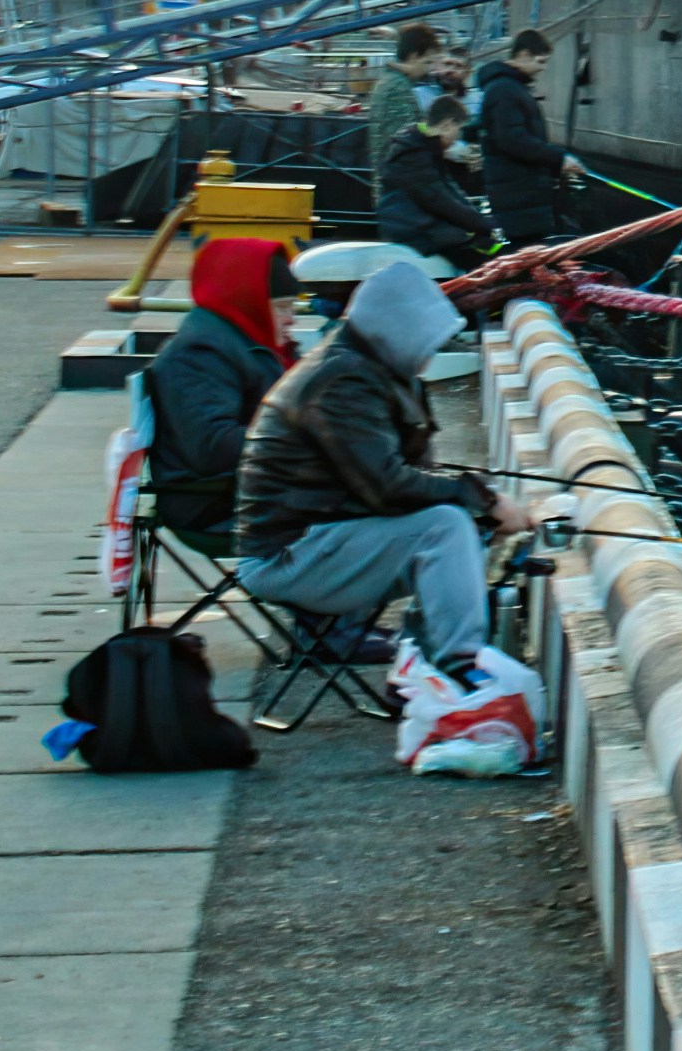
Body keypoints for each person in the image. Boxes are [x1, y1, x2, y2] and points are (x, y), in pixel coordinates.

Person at [231, 248, 514, 664]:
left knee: (456, 516)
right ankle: (462, 671)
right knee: (445, 527)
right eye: (427, 341)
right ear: (399, 331)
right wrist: (486, 499)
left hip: (319, 536)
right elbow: (387, 485)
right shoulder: (342, 382)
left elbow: (408, 475)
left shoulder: (368, 368)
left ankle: (424, 663)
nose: (430, 354)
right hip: (284, 557)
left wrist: (481, 499)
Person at [140, 237, 293, 547]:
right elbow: (213, 447)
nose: (292, 317)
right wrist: (307, 439)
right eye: (280, 307)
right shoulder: (199, 354)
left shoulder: (248, 340)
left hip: (254, 493)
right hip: (216, 507)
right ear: (246, 298)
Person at [470, 32, 576, 250]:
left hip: (521, 192)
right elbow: (512, 140)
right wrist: (558, 158)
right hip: (518, 193)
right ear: (524, 54)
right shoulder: (505, 90)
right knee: (528, 250)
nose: (543, 68)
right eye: (540, 61)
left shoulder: (507, 88)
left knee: (530, 249)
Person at [377, 82, 495, 268]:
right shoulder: (414, 154)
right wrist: (481, 224)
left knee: (481, 245)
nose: (457, 138)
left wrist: (477, 218)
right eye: (458, 130)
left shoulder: (422, 145)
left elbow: (447, 188)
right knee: (477, 256)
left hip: (419, 224)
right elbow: (437, 198)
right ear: (448, 124)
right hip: (412, 230)